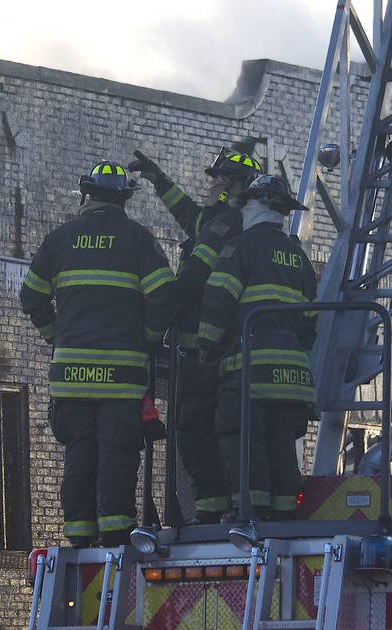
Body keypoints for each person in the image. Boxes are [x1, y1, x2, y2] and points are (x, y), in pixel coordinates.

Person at [19, 160, 177, 547]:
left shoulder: (59, 239)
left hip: (71, 377)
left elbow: (31, 296)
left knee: (80, 453)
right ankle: (115, 533)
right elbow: (164, 295)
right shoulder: (138, 240)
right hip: (120, 378)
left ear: (86, 194)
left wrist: (57, 337)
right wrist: (150, 339)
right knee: (117, 454)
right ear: (124, 198)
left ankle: (78, 534)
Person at [128, 147, 263, 523]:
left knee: (194, 432)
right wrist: (158, 178)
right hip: (217, 353)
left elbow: (193, 276)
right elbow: (190, 215)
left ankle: (211, 512)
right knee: (210, 433)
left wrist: (161, 306)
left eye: (220, 180)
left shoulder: (226, 222)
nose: (213, 185)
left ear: (236, 187)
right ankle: (217, 509)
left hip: (204, 356)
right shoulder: (226, 220)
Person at [196, 174, 317, 522]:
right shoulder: (299, 257)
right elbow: (310, 320)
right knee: (281, 442)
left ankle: (250, 511)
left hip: (250, 371)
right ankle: (283, 512)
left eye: (246, 203)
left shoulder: (241, 247)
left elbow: (218, 299)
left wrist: (206, 345)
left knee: (243, 438)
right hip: (292, 375)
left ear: (258, 205)